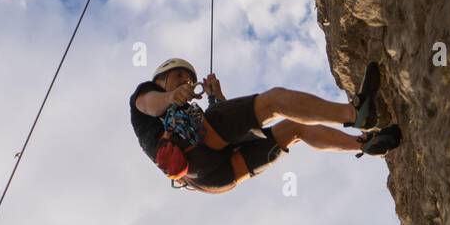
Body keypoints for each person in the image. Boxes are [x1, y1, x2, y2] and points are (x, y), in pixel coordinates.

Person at [128, 58, 401, 193]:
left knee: (295, 129)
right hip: (195, 154)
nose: (186, 82)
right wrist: (172, 96)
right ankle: (355, 113)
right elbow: (152, 104)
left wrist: (216, 97)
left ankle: (364, 143)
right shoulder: (145, 98)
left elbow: (229, 132)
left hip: (215, 177)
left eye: (189, 79)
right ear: (160, 79)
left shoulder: (188, 112)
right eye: (179, 76)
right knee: (274, 101)